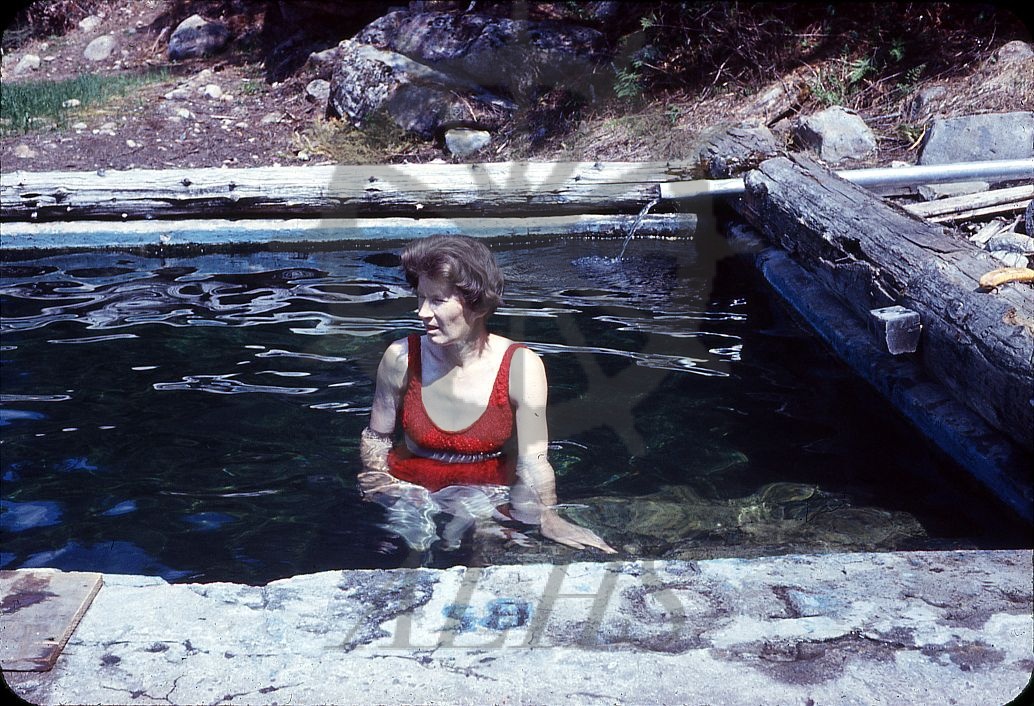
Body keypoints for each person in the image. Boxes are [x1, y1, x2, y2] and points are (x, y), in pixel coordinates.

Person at [357, 235, 615, 554]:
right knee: (403, 554)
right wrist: (376, 477)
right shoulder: (401, 358)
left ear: (477, 303)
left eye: (436, 300)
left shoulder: (522, 366)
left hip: (486, 490)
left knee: (494, 552)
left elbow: (534, 460)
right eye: (421, 298)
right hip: (411, 487)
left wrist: (548, 517)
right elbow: (377, 437)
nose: (421, 312)